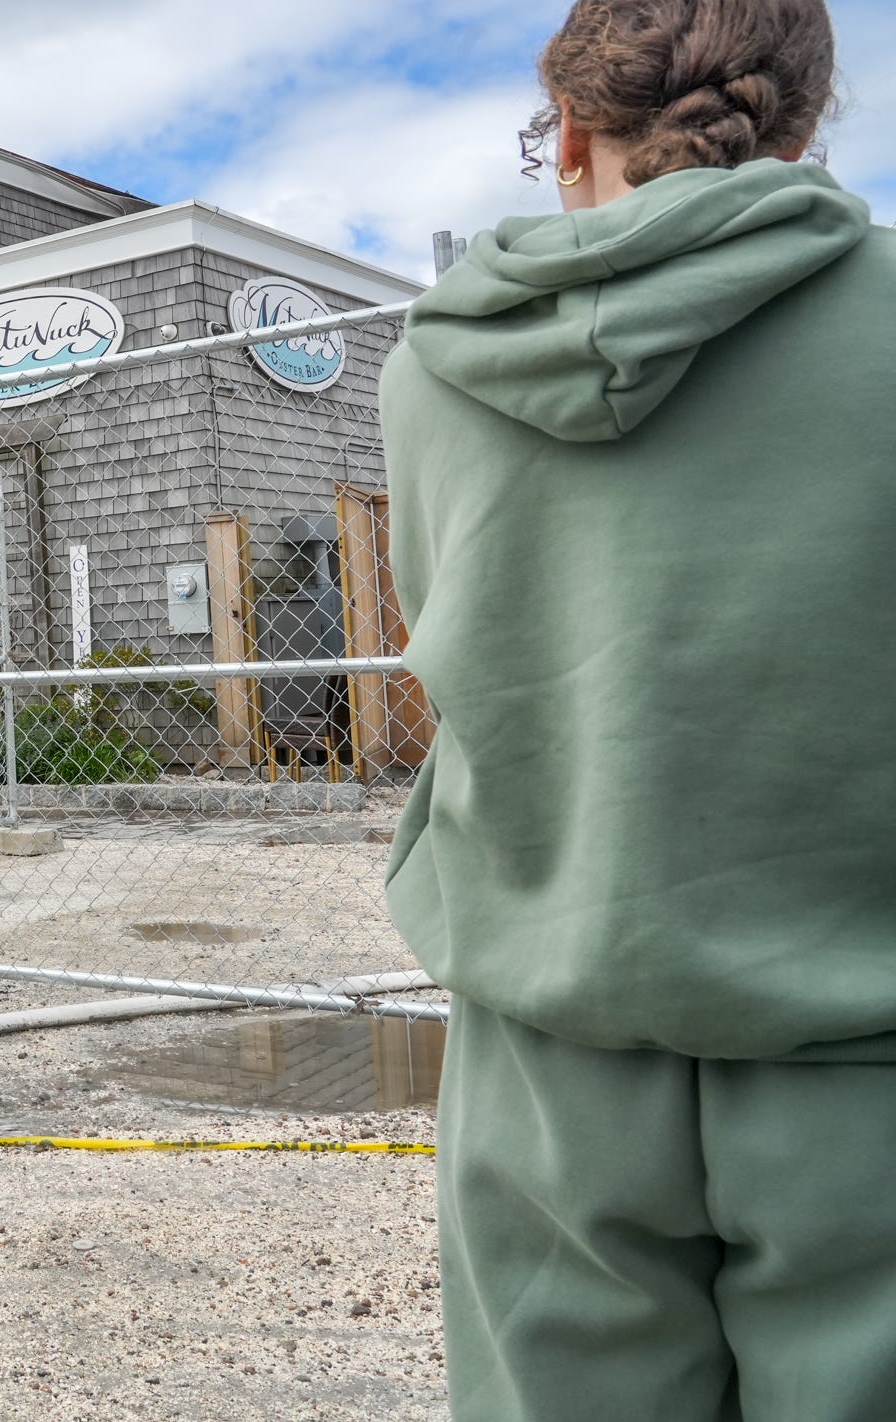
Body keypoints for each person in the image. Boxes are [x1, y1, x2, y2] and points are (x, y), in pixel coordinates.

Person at [378, 2, 892, 1416]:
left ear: (573, 140)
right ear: (800, 129)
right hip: (864, 1041)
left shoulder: (430, 372)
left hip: (551, 1045)